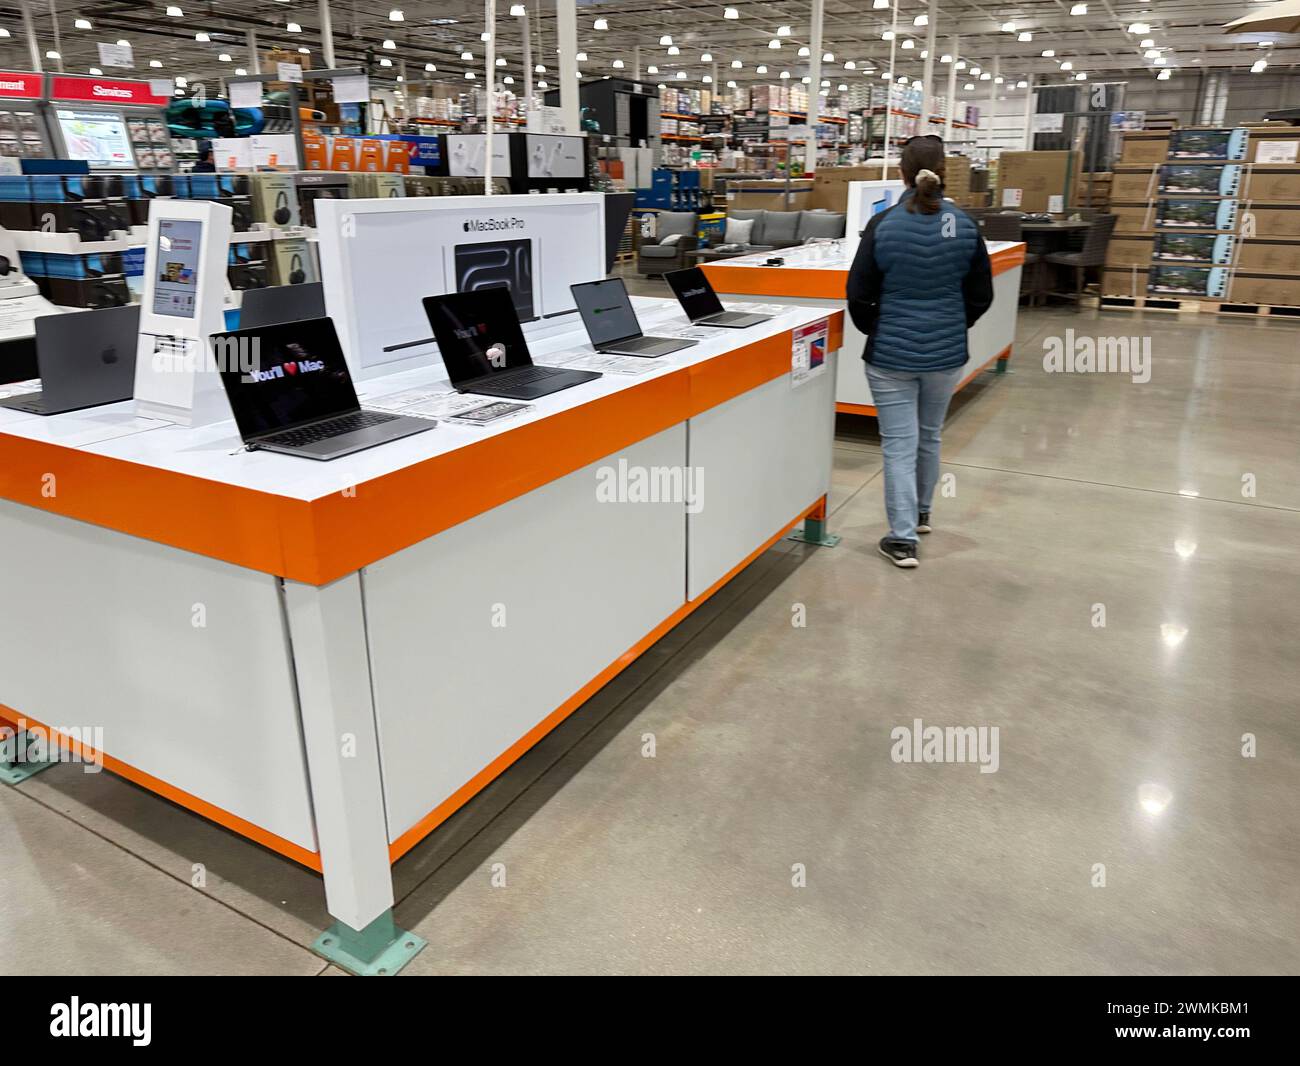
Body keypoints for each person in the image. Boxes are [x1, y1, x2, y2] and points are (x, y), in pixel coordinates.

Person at [846, 135, 993, 568]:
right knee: (929, 435)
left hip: (891, 355)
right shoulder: (965, 225)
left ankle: (902, 538)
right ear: (944, 170)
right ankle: (922, 513)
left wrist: (877, 330)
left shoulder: (883, 225)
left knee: (898, 444)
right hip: (946, 356)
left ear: (902, 173)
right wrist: (953, 325)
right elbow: (981, 294)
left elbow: (858, 292)